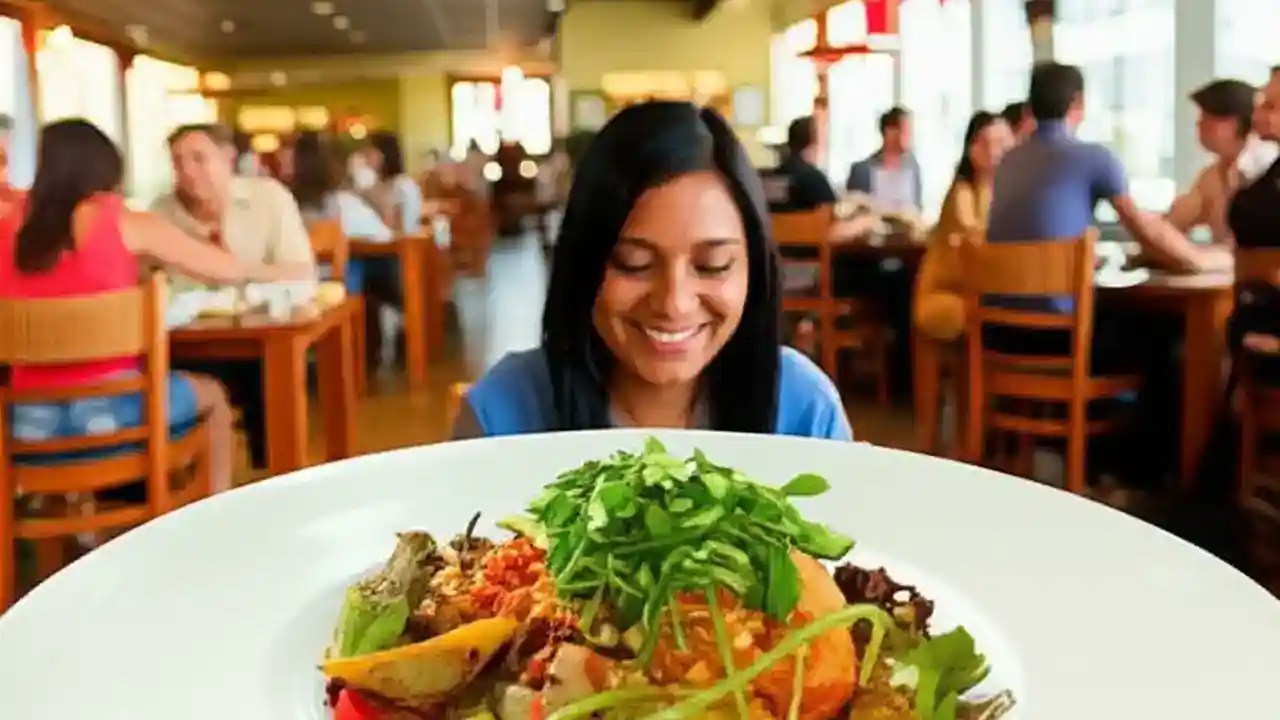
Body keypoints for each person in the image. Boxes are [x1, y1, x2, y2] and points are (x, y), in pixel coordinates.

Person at [454, 101, 851, 439]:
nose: (673, 304)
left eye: (712, 266)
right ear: (583, 264)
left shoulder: (803, 410)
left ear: (754, 269)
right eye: (634, 264)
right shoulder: (503, 414)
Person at [0, 120, 300, 493]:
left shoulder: (7, 225)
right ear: (107, 169)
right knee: (214, 398)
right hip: (117, 418)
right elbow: (227, 270)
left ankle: (83, 535)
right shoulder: (128, 223)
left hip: (25, 427)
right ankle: (211, 514)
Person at [152, 122, 317, 469]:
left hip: (260, 334)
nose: (188, 172)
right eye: (178, 162)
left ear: (227, 157)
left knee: (267, 373)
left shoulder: (267, 198)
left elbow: (299, 269)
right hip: (184, 341)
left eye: (199, 159)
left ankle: (273, 472)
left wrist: (231, 267)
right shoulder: (161, 213)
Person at [988, 63, 1231, 278]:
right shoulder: (1095, 158)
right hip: (1061, 318)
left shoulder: (1006, 162)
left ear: (1029, 107)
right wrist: (1204, 260)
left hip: (995, 318)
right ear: (1078, 102)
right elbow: (1144, 231)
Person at [914, 112, 1014, 342]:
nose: (999, 153)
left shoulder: (999, 193)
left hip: (976, 292)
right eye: (990, 144)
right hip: (946, 295)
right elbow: (977, 242)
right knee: (999, 314)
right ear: (972, 149)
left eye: (1005, 145)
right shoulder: (962, 193)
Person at [1168, 79, 1278, 247]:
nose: (1199, 124)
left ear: (1235, 122)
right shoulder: (1212, 175)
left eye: (1207, 117)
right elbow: (1174, 222)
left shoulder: (1265, 165)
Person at [845, 106, 923, 214]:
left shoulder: (913, 168)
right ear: (889, 132)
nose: (910, 137)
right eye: (905, 131)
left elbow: (918, 209)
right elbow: (852, 213)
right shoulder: (862, 171)